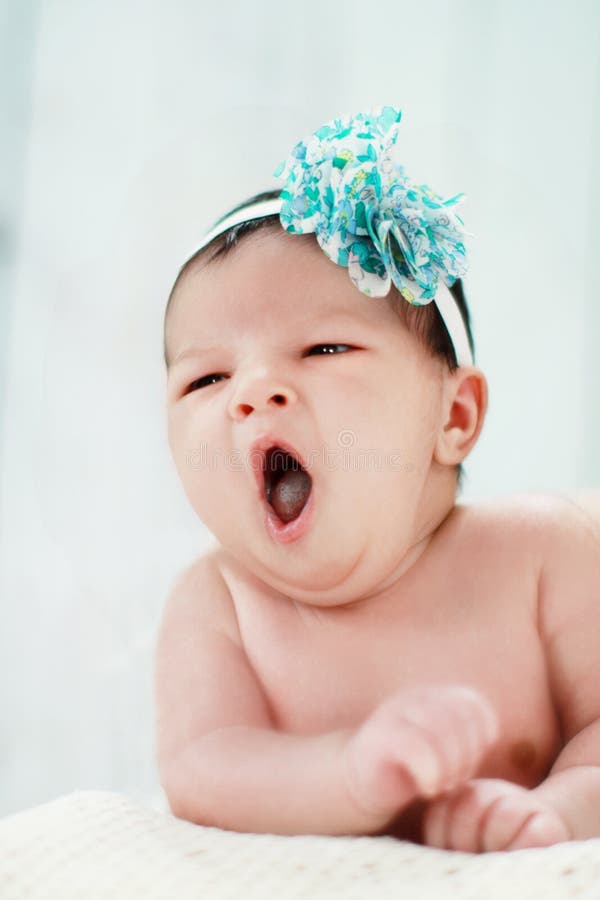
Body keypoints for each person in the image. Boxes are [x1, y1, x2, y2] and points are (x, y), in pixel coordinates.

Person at [155, 106, 600, 853]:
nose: (253, 391)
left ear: (453, 415)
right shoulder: (219, 605)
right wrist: (349, 774)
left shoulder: (544, 557)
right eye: (206, 378)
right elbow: (201, 769)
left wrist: (563, 810)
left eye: (324, 348)